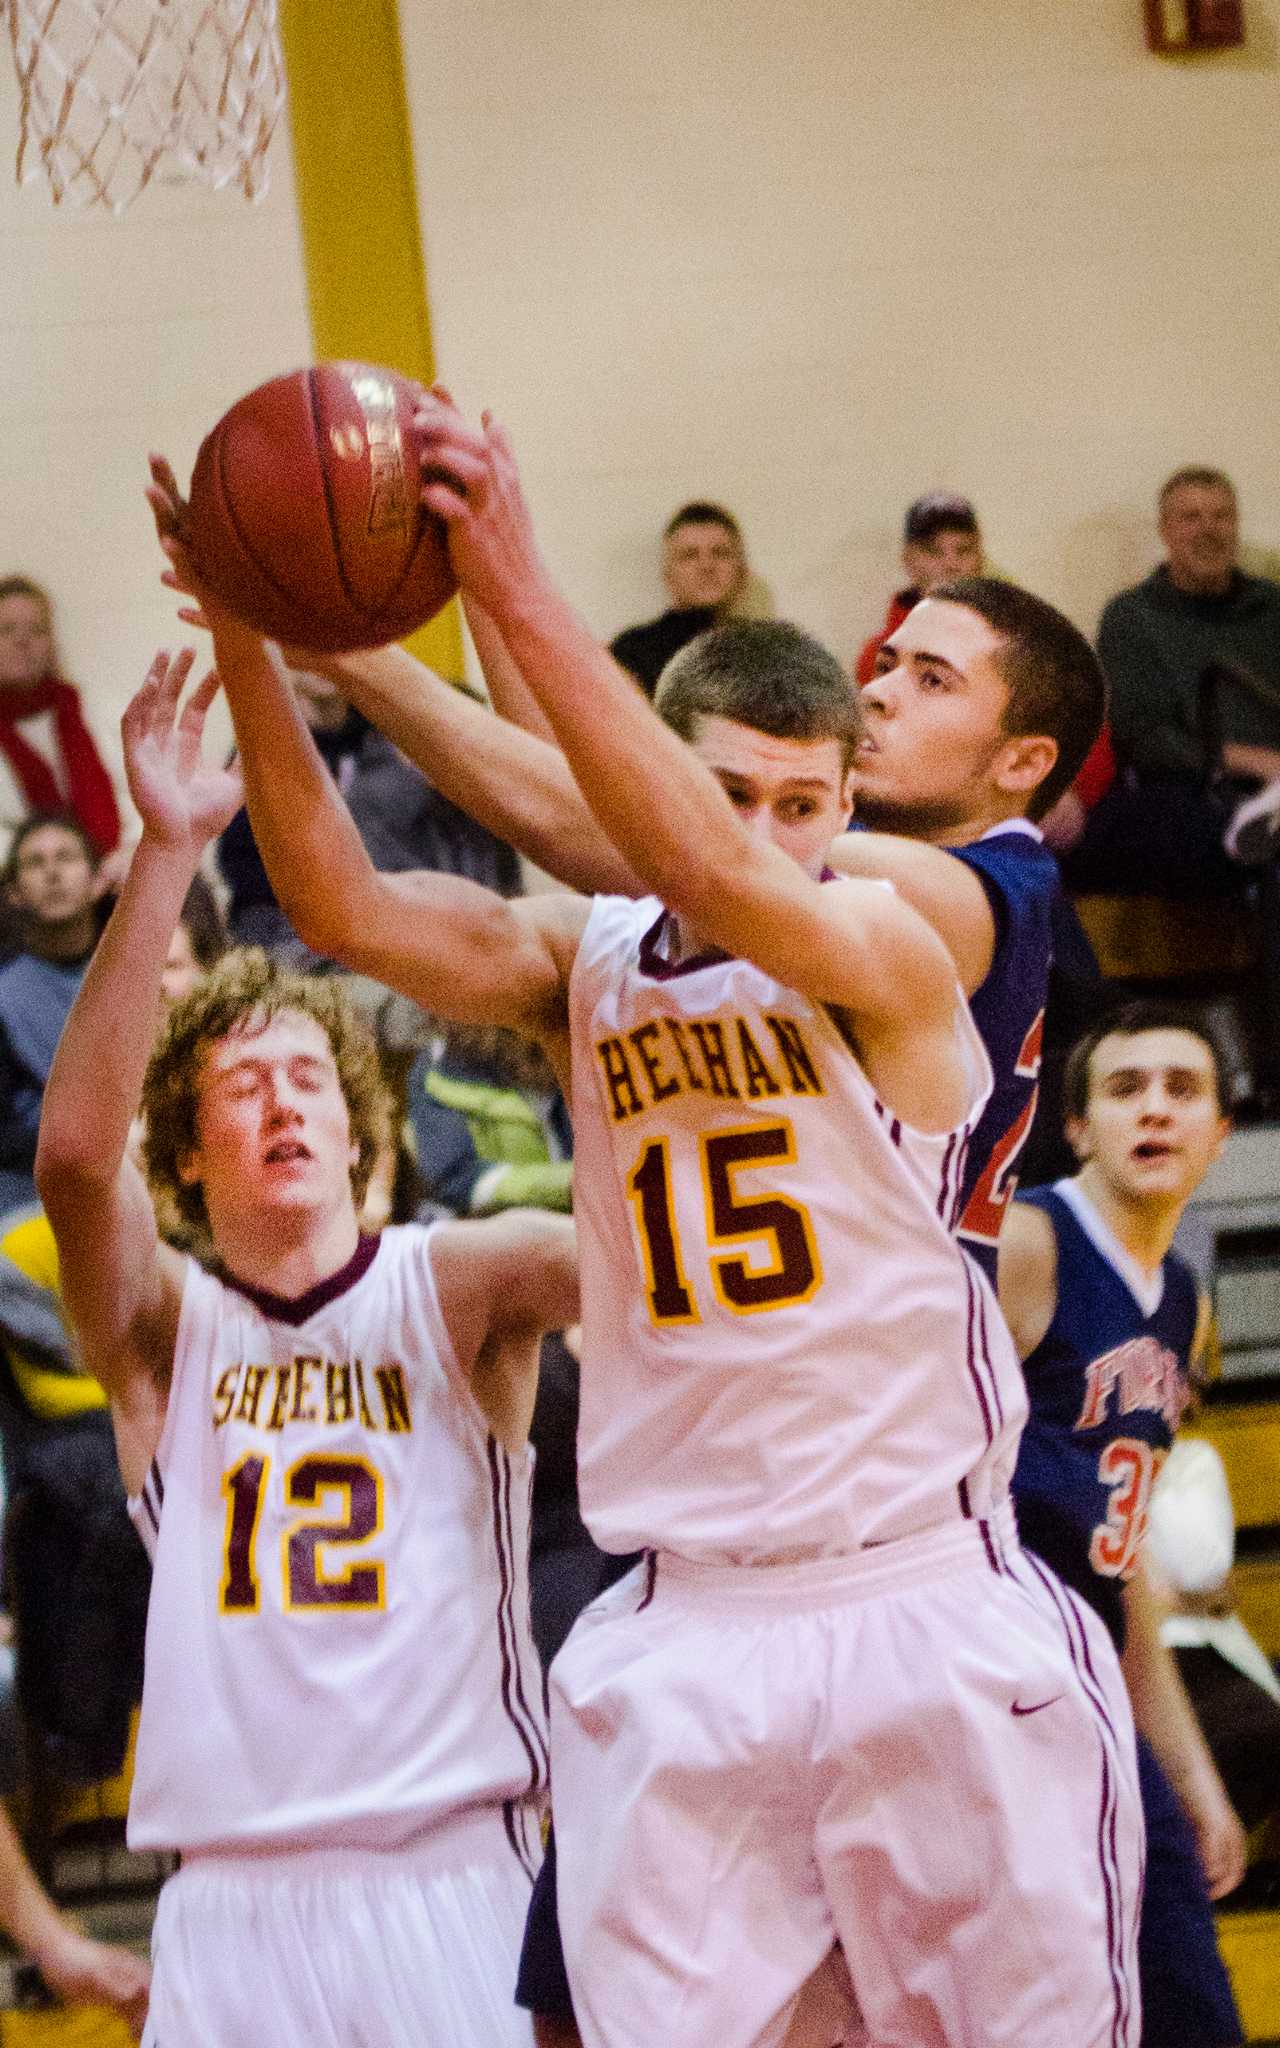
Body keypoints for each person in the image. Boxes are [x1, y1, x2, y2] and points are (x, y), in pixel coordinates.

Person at [158, 411, 1141, 2047]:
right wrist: (282, 639)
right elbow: (346, 906)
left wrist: (494, 600)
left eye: (926, 679)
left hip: (913, 1593)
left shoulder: (949, 914)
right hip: (688, 1617)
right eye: (880, 662)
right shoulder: (601, 951)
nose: (887, 679)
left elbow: (682, 846)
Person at [35, 651, 580, 2048]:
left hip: (449, 1871)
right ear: (189, 1156)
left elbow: (646, 1262)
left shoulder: (461, 1284)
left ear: (364, 1136)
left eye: (305, 1079)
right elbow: (78, 1162)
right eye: (237, 1085)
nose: (279, 1100)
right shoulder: (167, 1328)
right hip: (226, 1909)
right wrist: (164, 855)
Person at [999, 1002, 1246, 2048]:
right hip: (982, 1673)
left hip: (1084, 1673)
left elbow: (1122, 1556)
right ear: (1077, 1124)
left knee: (1175, 1974)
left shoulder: (1181, 1300)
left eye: (1181, 1089)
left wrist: (1188, 1767)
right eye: (1124, 1087)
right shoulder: (1027, 1243)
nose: (1153, 1108)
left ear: (1218, 1135)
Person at [217, 661, 521, 968]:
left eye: (335, 640)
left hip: (412, 936)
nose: (321, 653)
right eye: (304, 640)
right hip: (300, 942)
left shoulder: (393, 740)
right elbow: (247, 880)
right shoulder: (260, 751)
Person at [1066, 467, 1280, 895]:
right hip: (1186, 793)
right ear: (1165, 530)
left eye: (1221, 517)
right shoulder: (1132, 618)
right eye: (1191, 518)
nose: (1208, 531)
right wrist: (1260, 762)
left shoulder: (1271, 608)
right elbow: (1145, 739)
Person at [0, 814, 107, 1213]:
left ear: (98, 881)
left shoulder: (149, 969)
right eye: (35, 862)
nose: (52, 873)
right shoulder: (6, 994)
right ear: (14, 893)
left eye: (65, 857)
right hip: (39, 1186)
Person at [0, 577, 121, 863]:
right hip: (19, 885)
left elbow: (138, 802)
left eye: (37, 630)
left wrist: (128, 856)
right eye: (6, 630)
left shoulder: (95, 711)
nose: (22, 640)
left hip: (114, 871)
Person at [609, 501, 753, 695]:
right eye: (690, 555)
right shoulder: (631, 653)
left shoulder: (769, 652)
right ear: (668, 576)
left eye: (720, 553)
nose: (707, 566)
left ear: (742, 573)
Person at [852, 490, 984, 684]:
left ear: (980, 557)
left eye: (964, 550)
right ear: (908, 558)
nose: (951, 564)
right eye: (934, 551)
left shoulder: (1005, 644)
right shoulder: (881, 655)